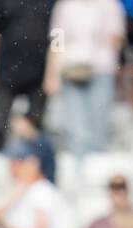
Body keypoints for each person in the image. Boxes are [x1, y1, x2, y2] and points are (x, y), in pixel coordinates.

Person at [43, 0, 125, 162]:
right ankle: (79, 172)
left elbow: (116, 40)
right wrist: (52, 74)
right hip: (72, 70)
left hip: (101, 71)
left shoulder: (110, 5)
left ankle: (96, 171)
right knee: (76, 128)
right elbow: (57, 43)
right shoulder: (66, 7)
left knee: (99, 127)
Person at [0, 0, 55, 153]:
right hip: (7, 71)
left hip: (39, 73)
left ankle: (34, 164)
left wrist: (53, 72)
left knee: (36, 123)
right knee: (1, 126)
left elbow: (59, 33)